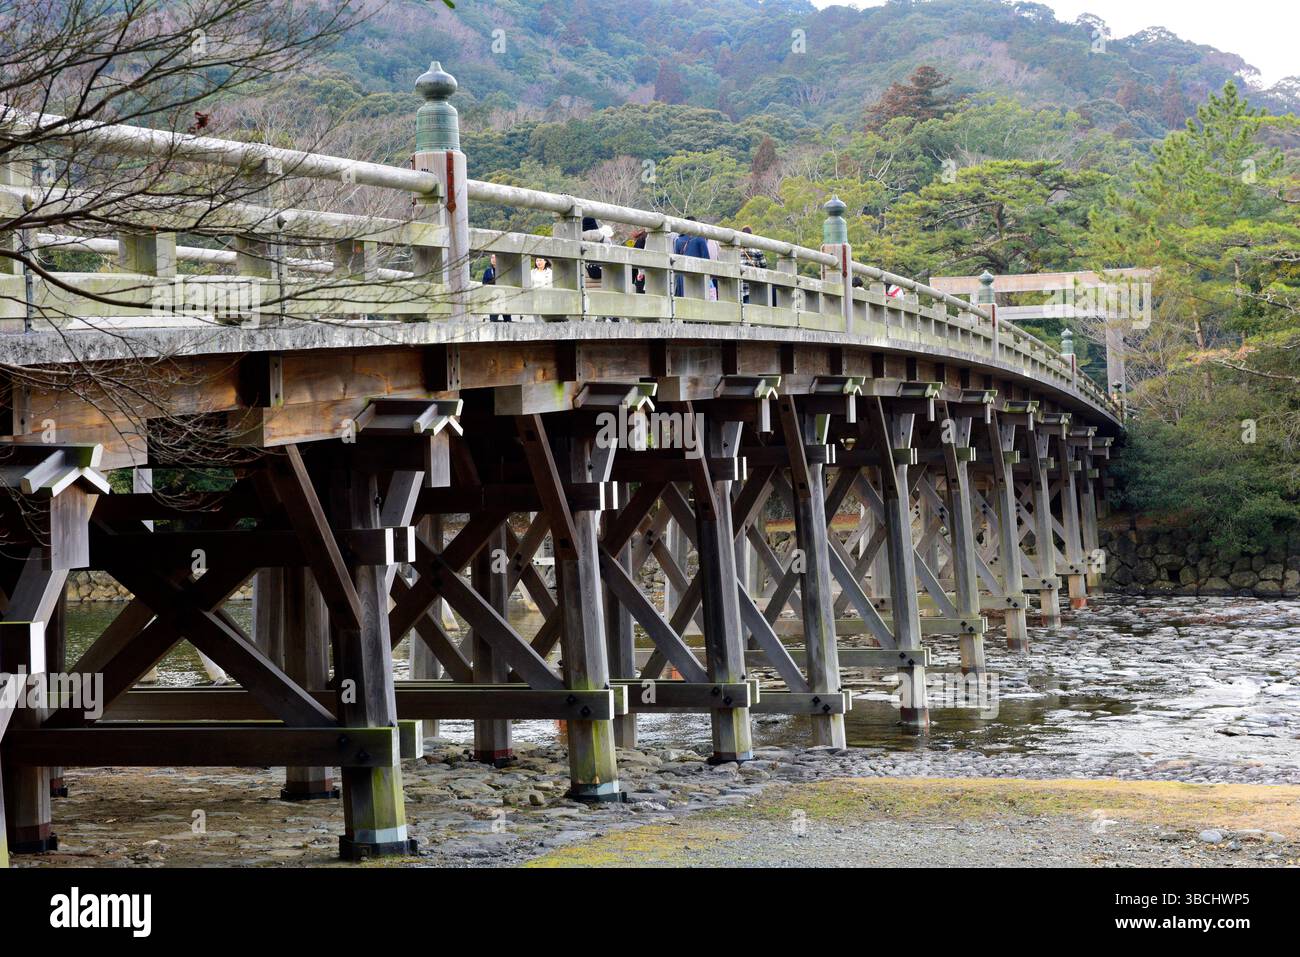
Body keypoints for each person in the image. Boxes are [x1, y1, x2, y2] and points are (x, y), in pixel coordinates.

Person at [673, 217, 711, 297]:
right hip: (697, 275)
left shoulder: (678, 240)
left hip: (682, 276)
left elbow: (676, 260)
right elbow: (706, 259)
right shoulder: (700, 239)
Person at [739, 225, 767, 304]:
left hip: (739, 287)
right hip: (752, 289)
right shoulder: (757, 250)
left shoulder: (736, 251)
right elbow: (764, 266)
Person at [482, 253, 510, 322]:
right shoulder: (488, 271)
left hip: (504, 298)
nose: (493, 259)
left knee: (508, 320)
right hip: (493, 299)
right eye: (492, 258)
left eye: (495, 257)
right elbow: (484, 283)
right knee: (493, 320)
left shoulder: (504, 269)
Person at [629, 228, 648, 294]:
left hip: (641, 274)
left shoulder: (641, 240)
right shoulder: (644, 239)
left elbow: (635, 259)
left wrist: (631, 279)